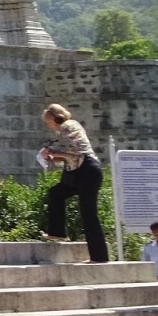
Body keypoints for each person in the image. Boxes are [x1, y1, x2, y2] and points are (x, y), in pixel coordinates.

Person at [38, 104, 109, 263]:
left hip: (87, 170)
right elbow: (67, 155)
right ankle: (58, 232)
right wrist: (51, 156)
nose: (49, 125)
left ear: (53, 118)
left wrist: (50, 150)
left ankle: (99, 257)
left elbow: (74, 148)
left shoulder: (69, 125)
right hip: (76, 171)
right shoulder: (63, 131)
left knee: (89, 214)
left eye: (48, 122)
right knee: (56, 193)